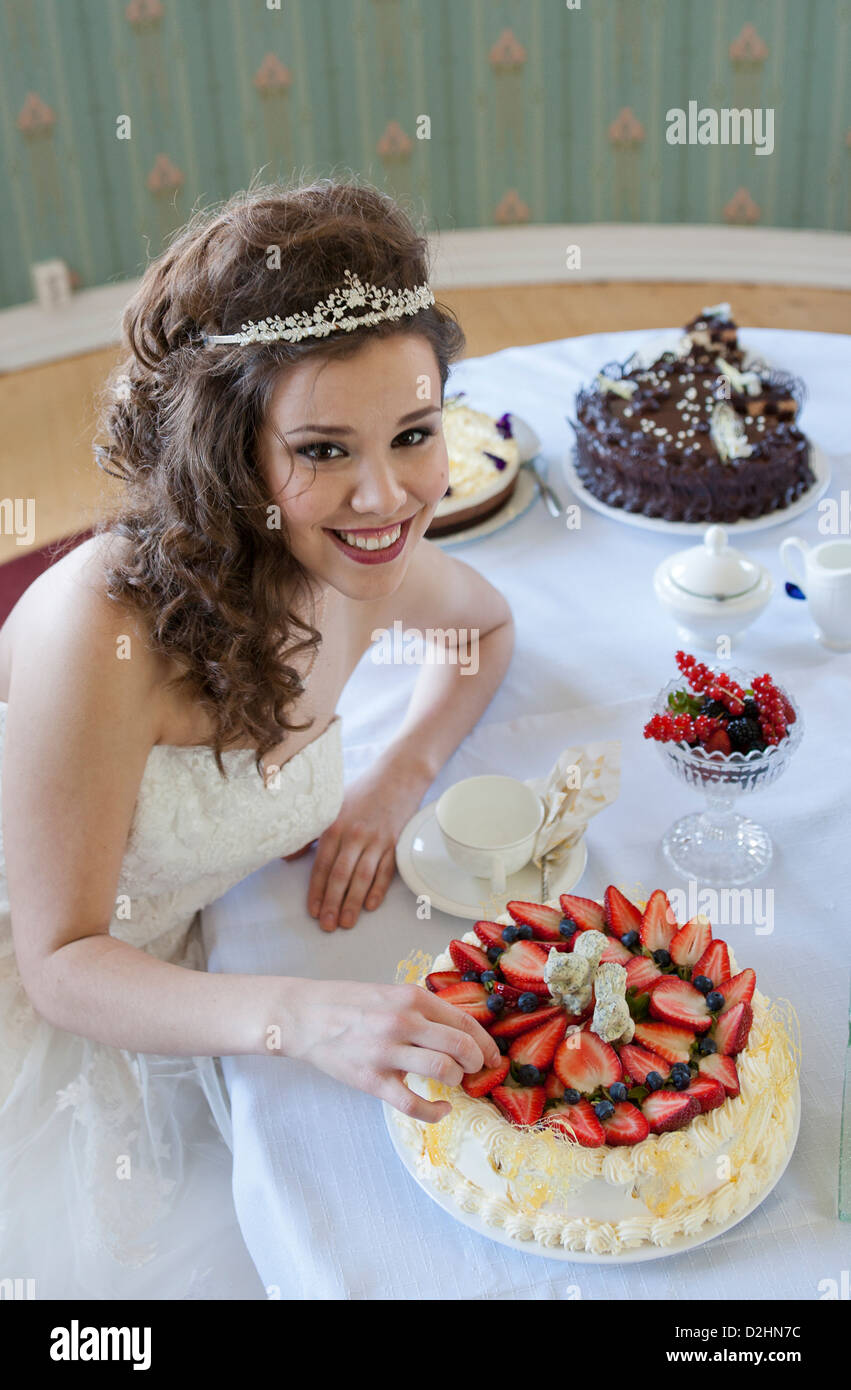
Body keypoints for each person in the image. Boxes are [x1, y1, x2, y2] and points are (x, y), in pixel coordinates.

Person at [0, 179, 513, 1296]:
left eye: (414, 434)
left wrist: (392, 781)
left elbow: (485, 627)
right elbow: (60, 961)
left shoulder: (358, 559)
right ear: (230, 449)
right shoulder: (93, 632)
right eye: (323, 450)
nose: (387, 497)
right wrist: (298, 1017)